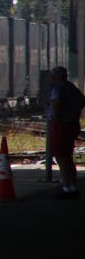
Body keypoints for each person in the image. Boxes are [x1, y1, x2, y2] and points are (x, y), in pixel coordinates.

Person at [48, 66, 85, 199]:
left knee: (61, 156)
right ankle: (73, 186)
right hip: (72, 123)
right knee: (68, 156)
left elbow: (56, 103)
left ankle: (66, 188)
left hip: (61, 125)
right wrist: (73, 113)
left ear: (55, 77)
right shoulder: (71, 87)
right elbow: (82, 101)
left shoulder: (58, 88)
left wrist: (56, 117)